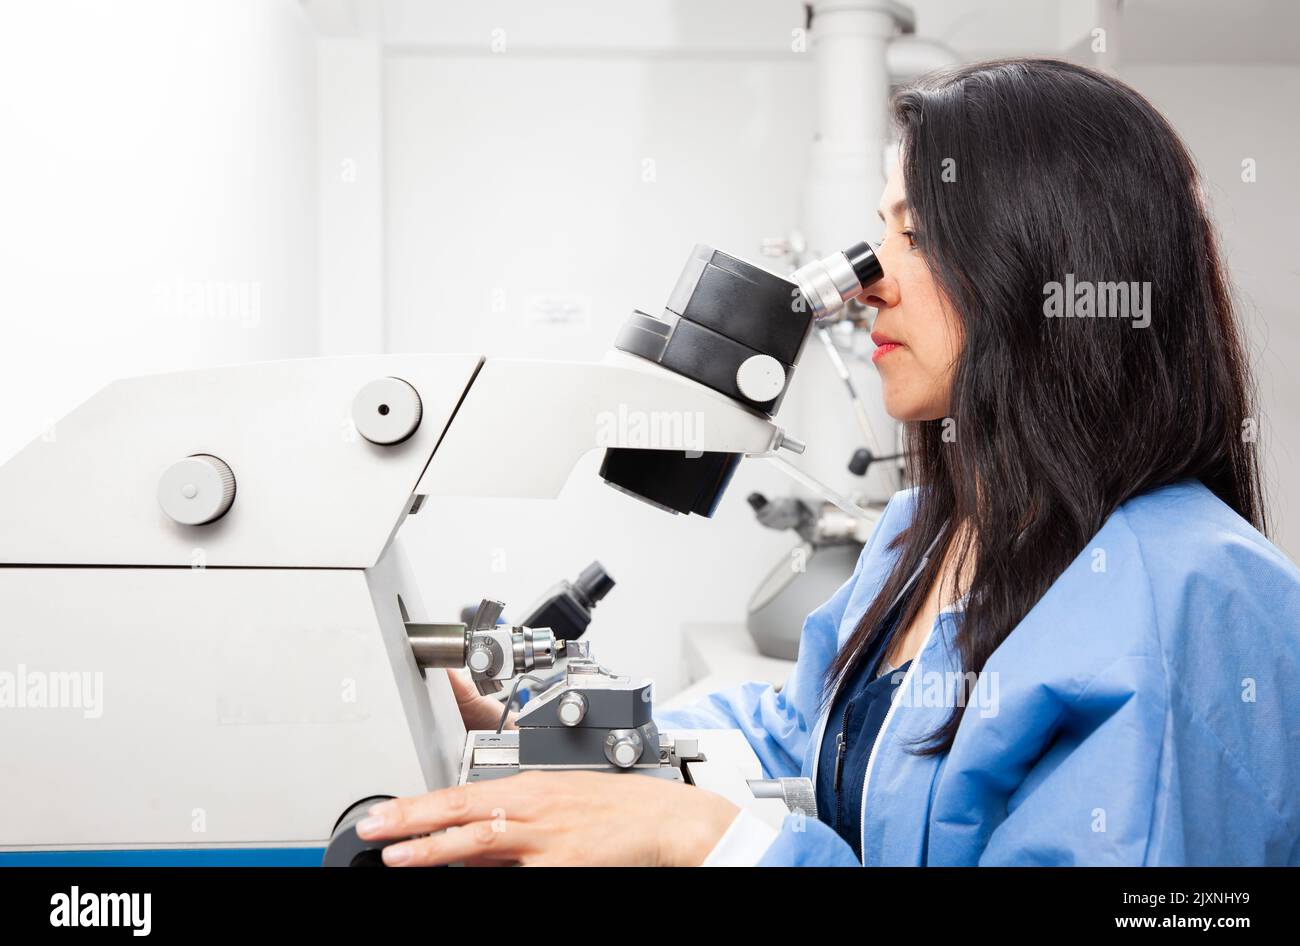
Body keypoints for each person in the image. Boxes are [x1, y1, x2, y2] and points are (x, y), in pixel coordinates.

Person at [356, 58, 1300, 866]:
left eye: (916, 235)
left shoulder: (1198, 596)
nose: (865, 284)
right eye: (879, 234)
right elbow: (812, 740)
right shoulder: (922, 534)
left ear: (1045, 267)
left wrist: (711, 842)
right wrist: (588, 751)